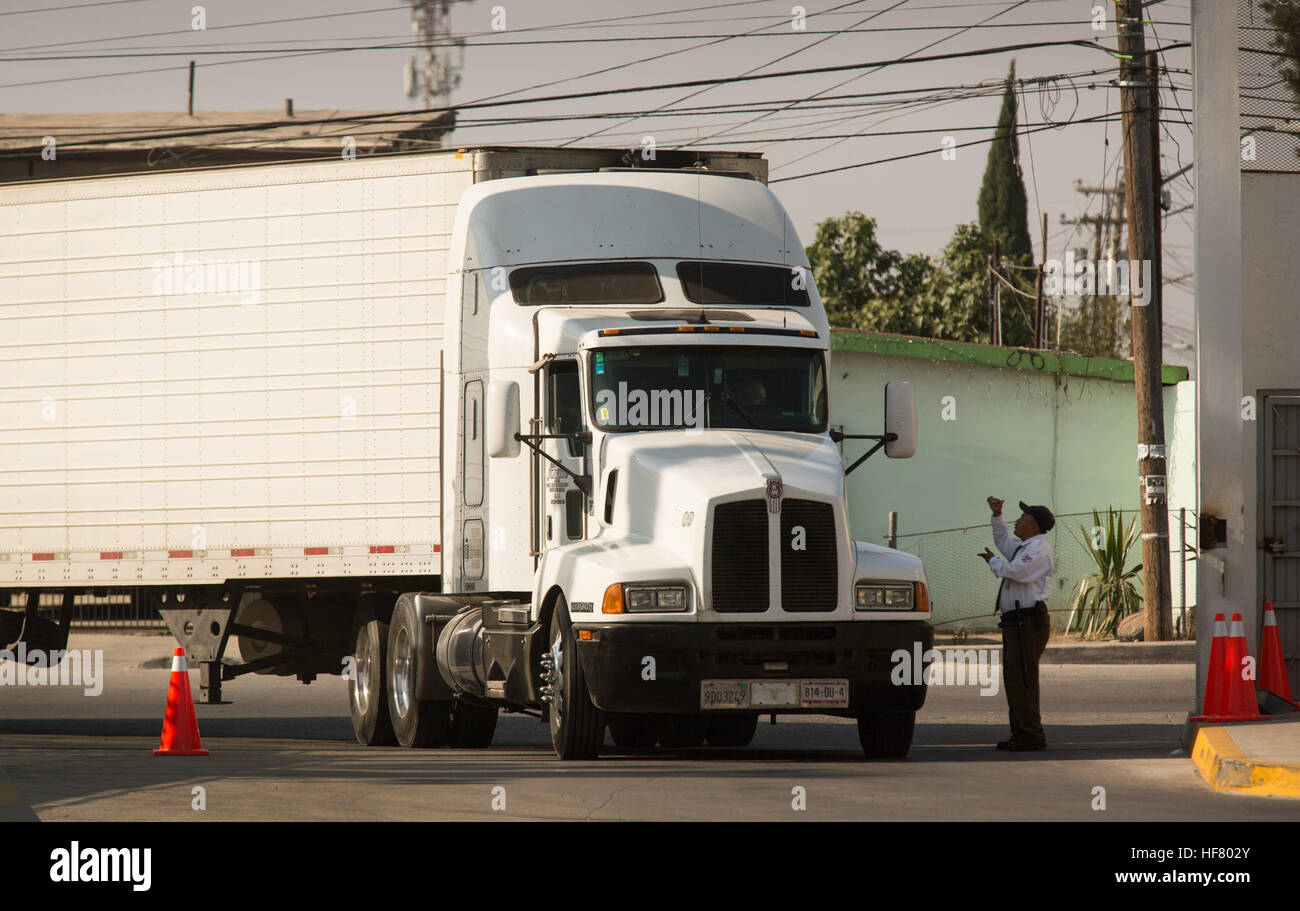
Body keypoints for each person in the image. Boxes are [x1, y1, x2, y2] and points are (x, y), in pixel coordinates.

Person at [979, 496, 1055, 752]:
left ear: (1034, 527)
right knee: (1015, 679)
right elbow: (1003, 542)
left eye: (1022, 519)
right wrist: (997, 515)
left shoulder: (1038, 549)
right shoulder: (1026, 546)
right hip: (1017, 623)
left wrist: (993, 562)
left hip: (1027, 622)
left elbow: (1016, 572)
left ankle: (1031, 735)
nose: (1018, 522)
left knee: (1023, 679)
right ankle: (1021, 732)